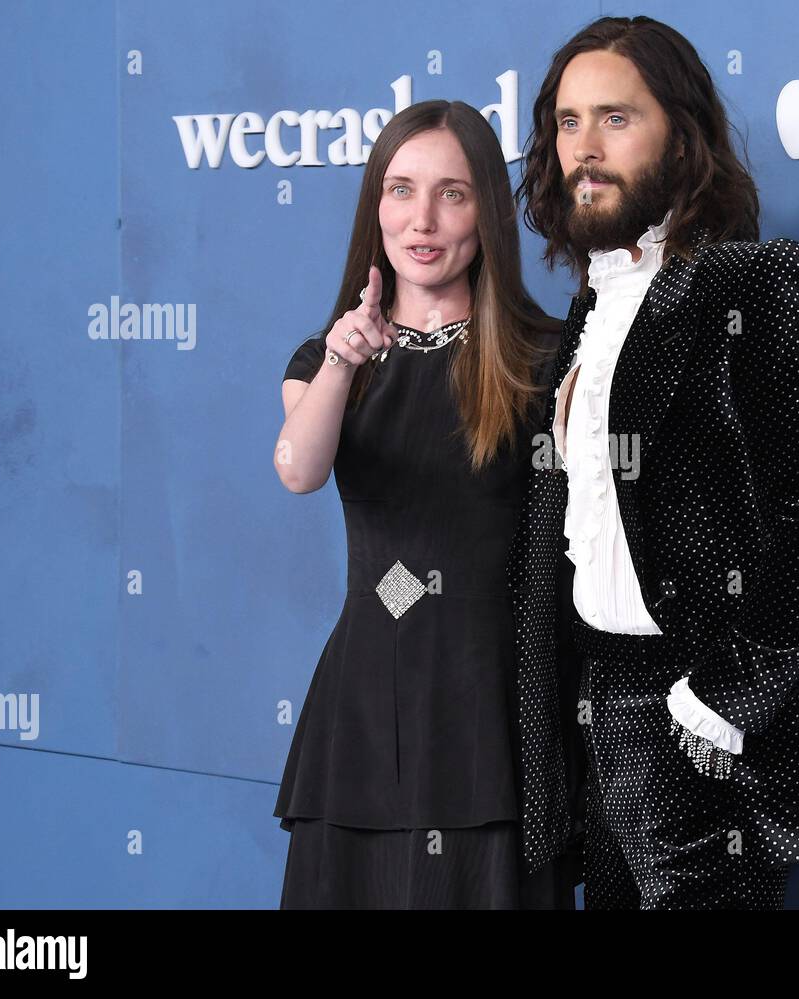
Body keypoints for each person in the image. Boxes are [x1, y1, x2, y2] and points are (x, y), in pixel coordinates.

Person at [507, 16, 799, 908]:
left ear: (682, 133)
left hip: (700, 722)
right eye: (567, 122)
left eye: (616, 119)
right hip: (599, 715)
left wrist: (714, 702)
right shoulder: (586, 314)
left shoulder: (757, 283)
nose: (584, 149)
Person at [271, 99, 577, 908]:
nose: (423, 218)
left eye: (453, 192)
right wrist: (343, 360)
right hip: (364, 708)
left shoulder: (547, 355)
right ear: (375, 208)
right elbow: (298, 469)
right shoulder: (327, 356)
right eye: (401, 190)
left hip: (494, 716)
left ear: (488, 212)